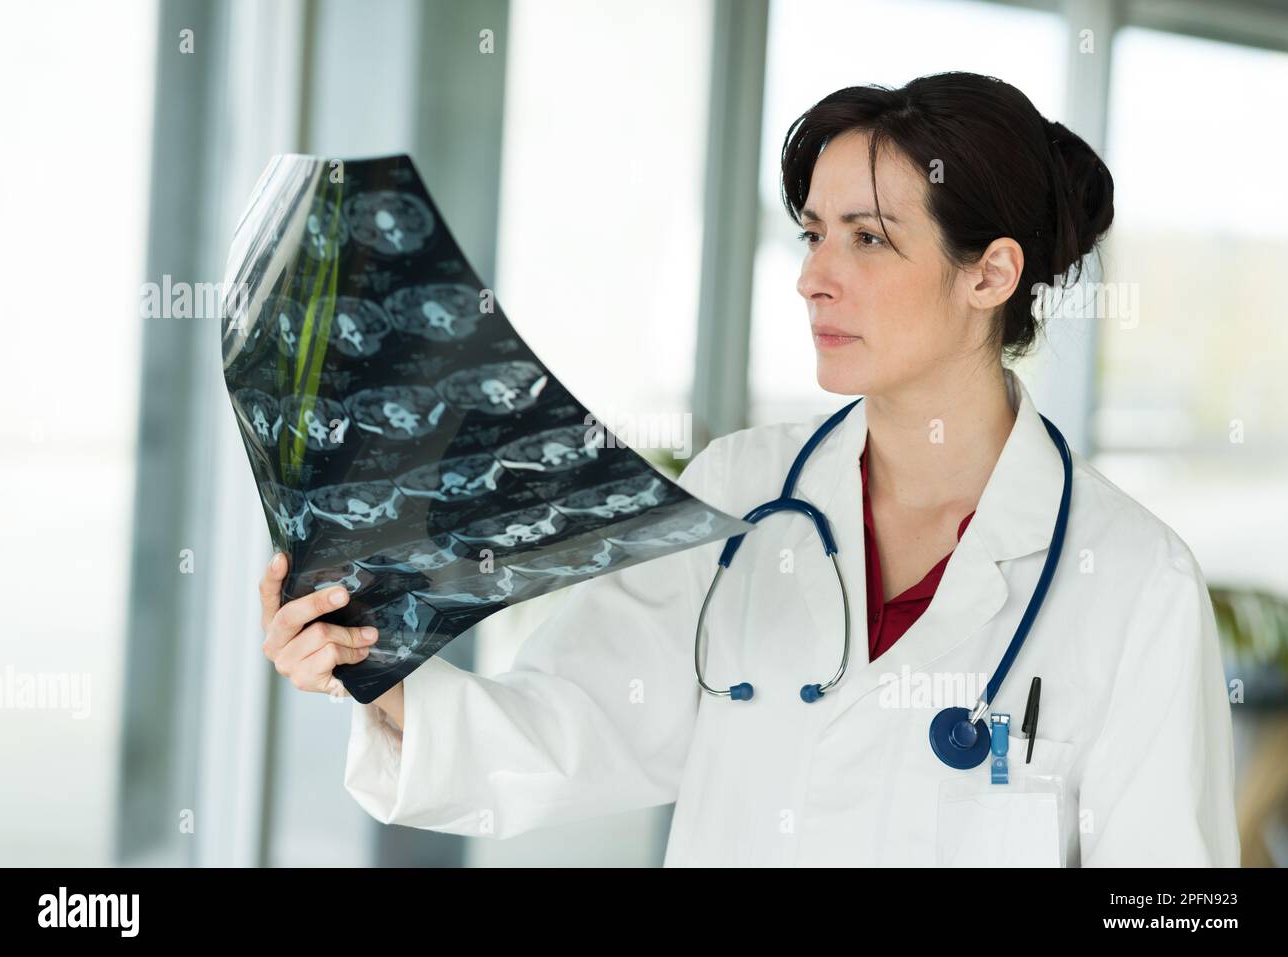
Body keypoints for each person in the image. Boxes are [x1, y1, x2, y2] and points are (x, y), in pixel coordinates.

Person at [259, 71, 1239, 867]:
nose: (814, 274)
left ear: (989, 274)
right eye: (813, 233)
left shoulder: (1132, 582)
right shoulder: (744, 494)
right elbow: (575, 720)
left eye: (868, 238)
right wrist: (374, 675)